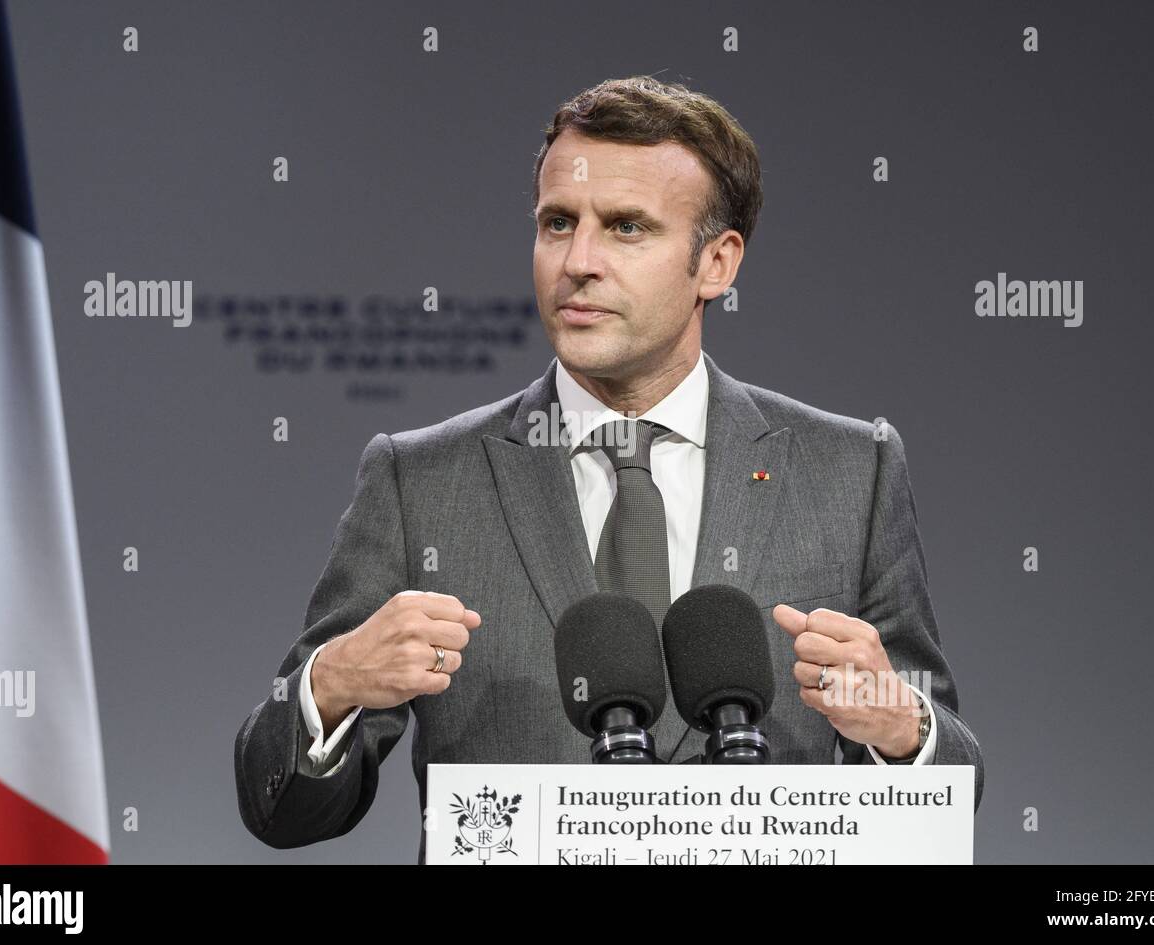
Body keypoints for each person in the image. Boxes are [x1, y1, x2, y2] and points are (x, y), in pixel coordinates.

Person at [234, 75, 984, 857]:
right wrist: (329, 689)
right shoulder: (419, 482)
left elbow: (949, 796)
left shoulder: (849, 473)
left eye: (627, 228)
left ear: (717, 265)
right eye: (558, 223)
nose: (578, 261)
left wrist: (904, 729)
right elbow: (278, 809)